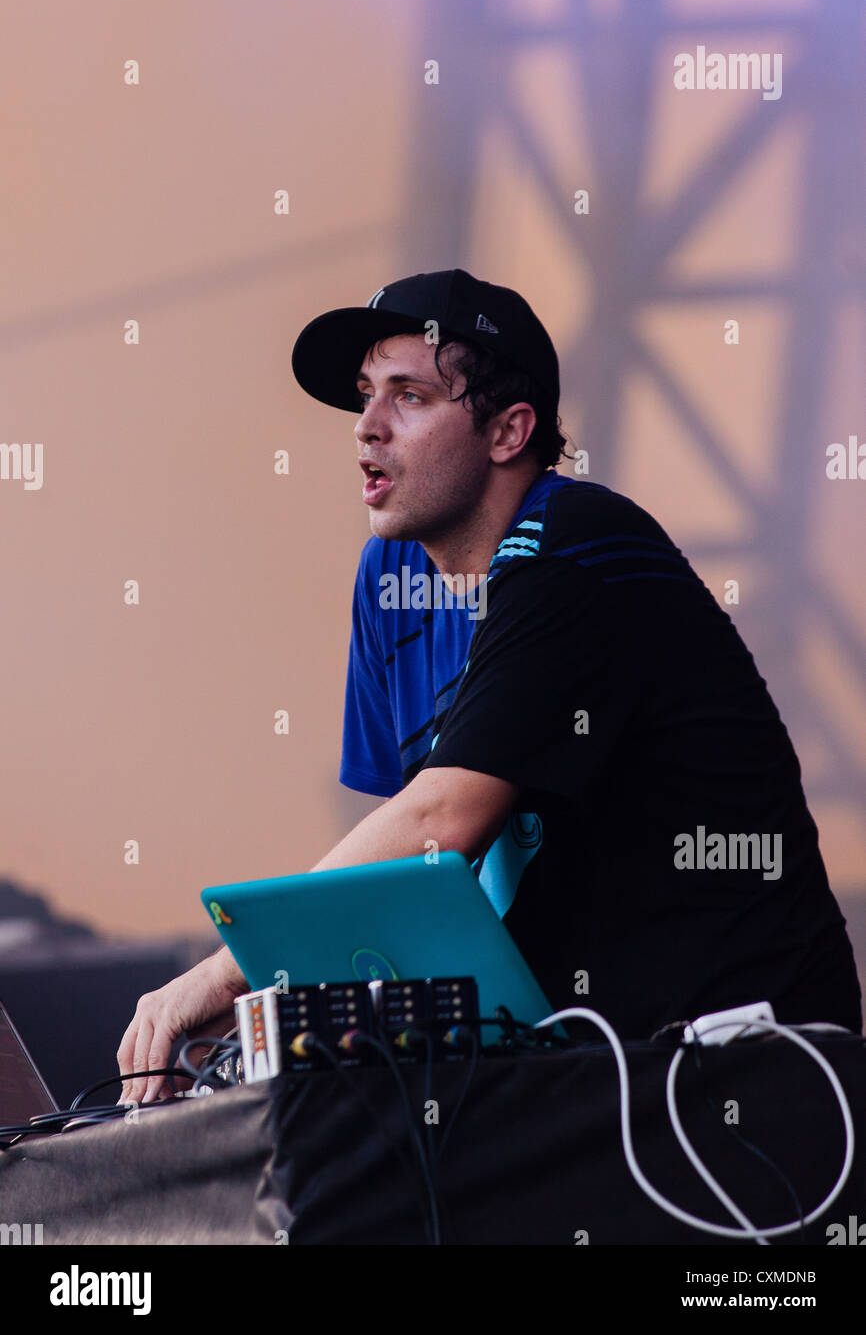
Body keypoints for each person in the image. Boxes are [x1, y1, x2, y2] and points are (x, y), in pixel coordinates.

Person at [117, 268, 862, 1104]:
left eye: (409, 396)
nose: (365, 427)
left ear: (509, 431)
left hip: (749, 1073)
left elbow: (443, 818)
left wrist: (232, 975)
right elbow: (412, 867)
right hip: (582, 1074)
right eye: (365, 394)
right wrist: (281, 1014)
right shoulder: (391, 571)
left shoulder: (581, 541)